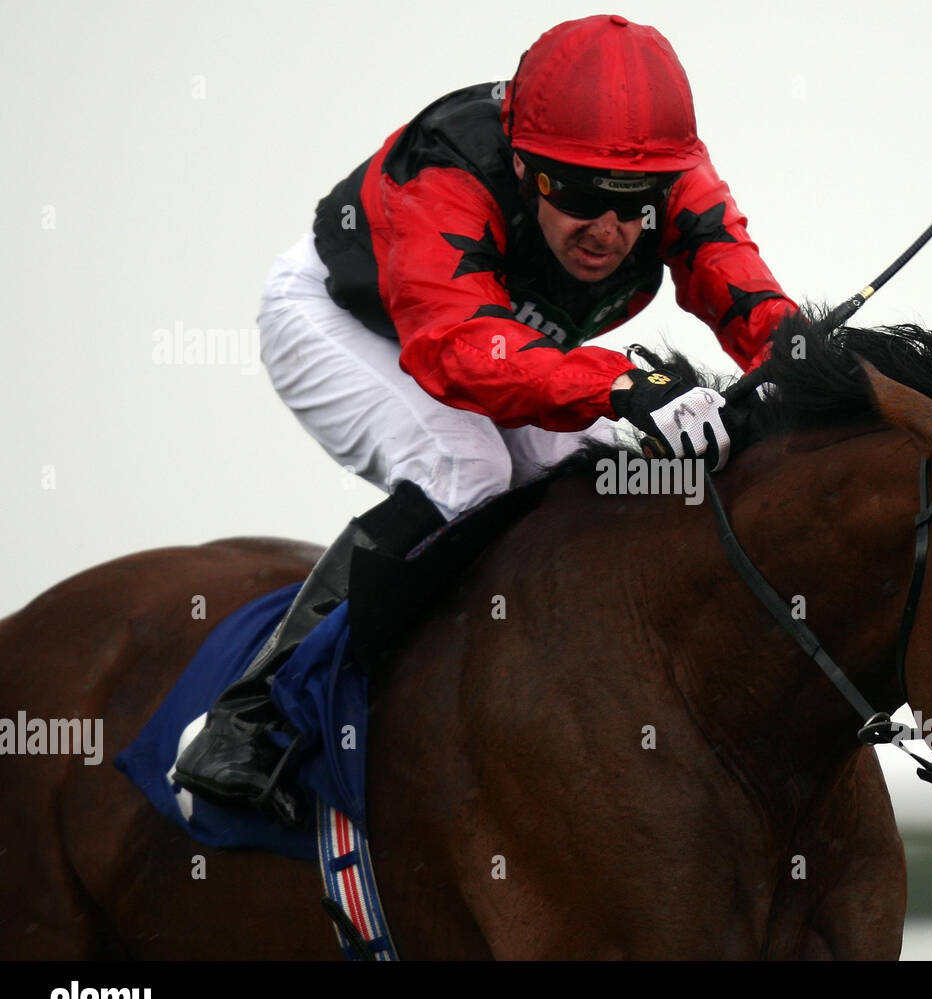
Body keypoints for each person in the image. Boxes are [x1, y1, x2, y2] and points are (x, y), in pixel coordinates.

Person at [173, 14, 799, 827]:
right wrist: (622, 383)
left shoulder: (668, 171)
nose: (607, 230)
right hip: (344, 320)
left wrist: (806, 359)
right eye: (577, 197)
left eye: (633, 206)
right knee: (467, 471)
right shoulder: (448, 169)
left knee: (619, 467)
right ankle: (251, 718)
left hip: (506, 338)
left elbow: (740, 287)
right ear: (528, 165)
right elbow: (459, 351)